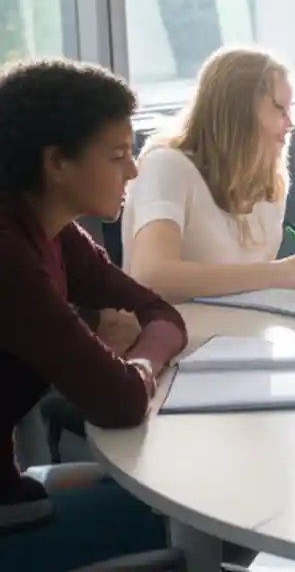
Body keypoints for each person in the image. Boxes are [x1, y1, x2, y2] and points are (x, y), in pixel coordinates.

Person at [0, 59, 188, 570]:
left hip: (12, 492)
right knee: (185, 519)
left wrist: (138, 358)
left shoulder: (55, 230)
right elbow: (121, 401)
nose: (133, 170)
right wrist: (142, 366)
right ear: (56, 162)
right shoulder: (10, 252)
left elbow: (160, 311)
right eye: (118, 155)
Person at [122, 47, 295, 302]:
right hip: (175, 334)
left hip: (239, 332)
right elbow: (151, 277)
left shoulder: (269, 176)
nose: (290, 123)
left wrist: (293, 274)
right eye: (280, 109)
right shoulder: (167, 165)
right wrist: (281, 273)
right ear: (240, 112)